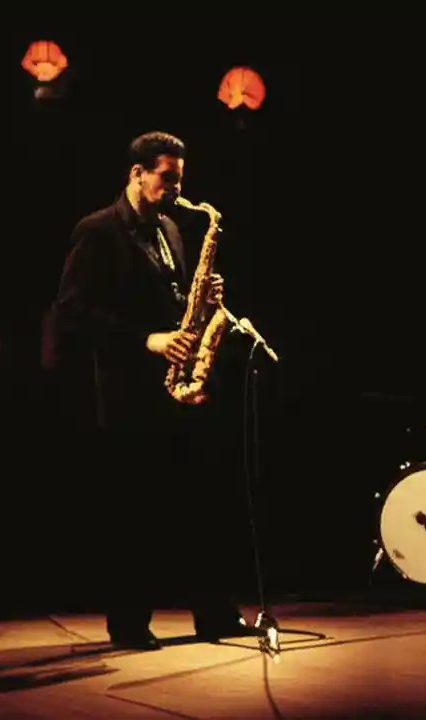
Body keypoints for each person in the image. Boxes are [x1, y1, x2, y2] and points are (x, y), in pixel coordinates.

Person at [42, 131, 253, 650]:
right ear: (136, 174)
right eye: (167, 178)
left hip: (176, 390)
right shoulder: (96, 231)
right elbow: (70, 312)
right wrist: (148, 340)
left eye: (180, 180)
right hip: (128, 394)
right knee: (135, 515)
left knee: (201, 504)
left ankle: (214, 612)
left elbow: (174, 300)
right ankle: (129, 623)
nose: (176, 190)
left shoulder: (171, 231)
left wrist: (202, 300)